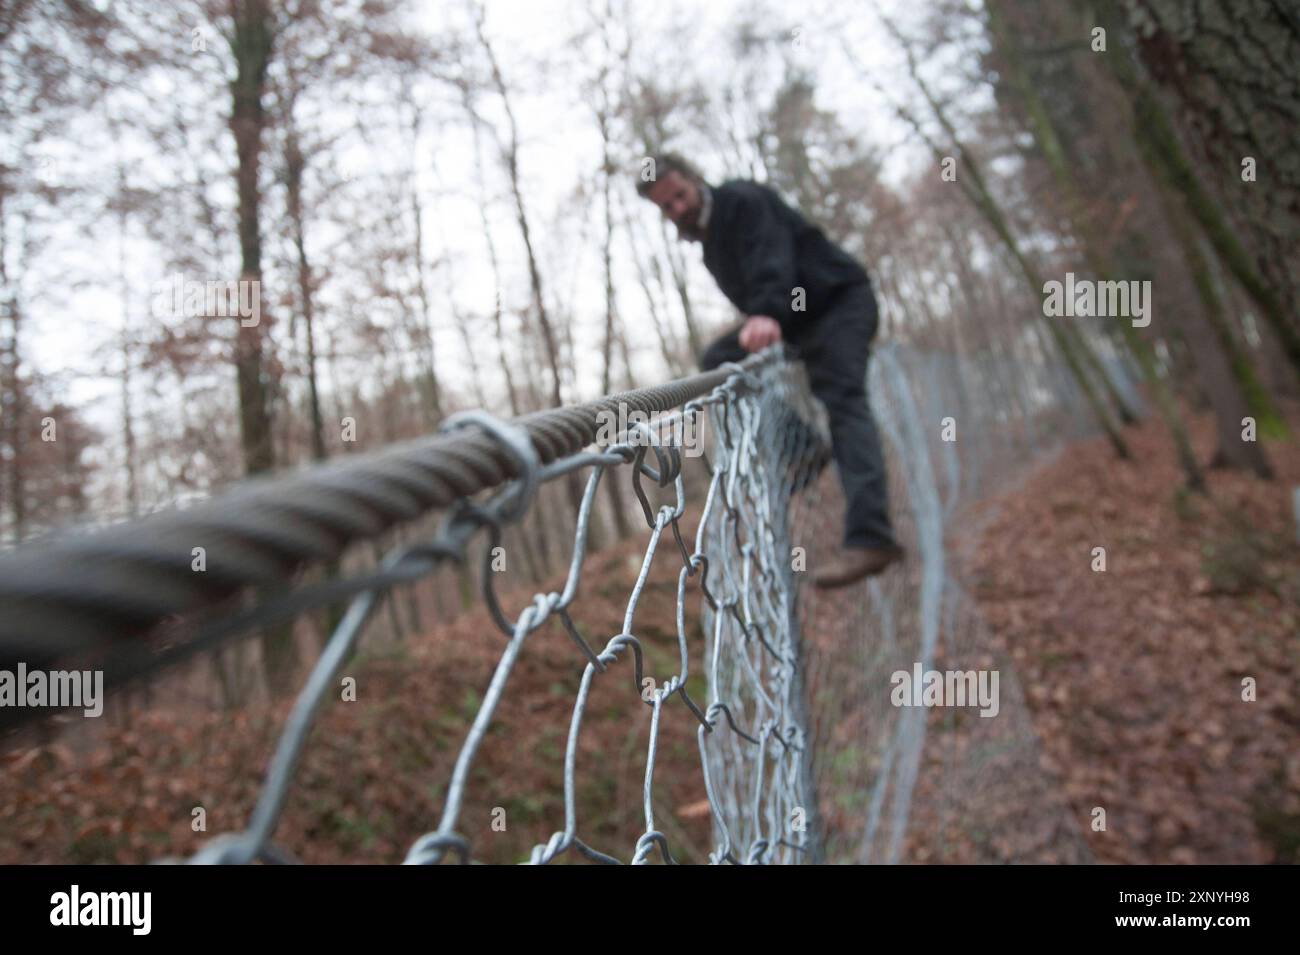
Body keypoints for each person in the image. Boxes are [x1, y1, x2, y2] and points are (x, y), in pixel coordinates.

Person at [638, 153, 902, 587]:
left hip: (837, 303)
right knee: (717, 359)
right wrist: (765, 316)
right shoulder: (708, 244)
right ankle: (803, 450)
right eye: (666, 207)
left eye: (679, 195)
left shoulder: (741, 200)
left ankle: (872, 538)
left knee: (843, 400)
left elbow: (773, 256)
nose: (677, 209)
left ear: (695, 180)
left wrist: (765, 311)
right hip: (797, 320)